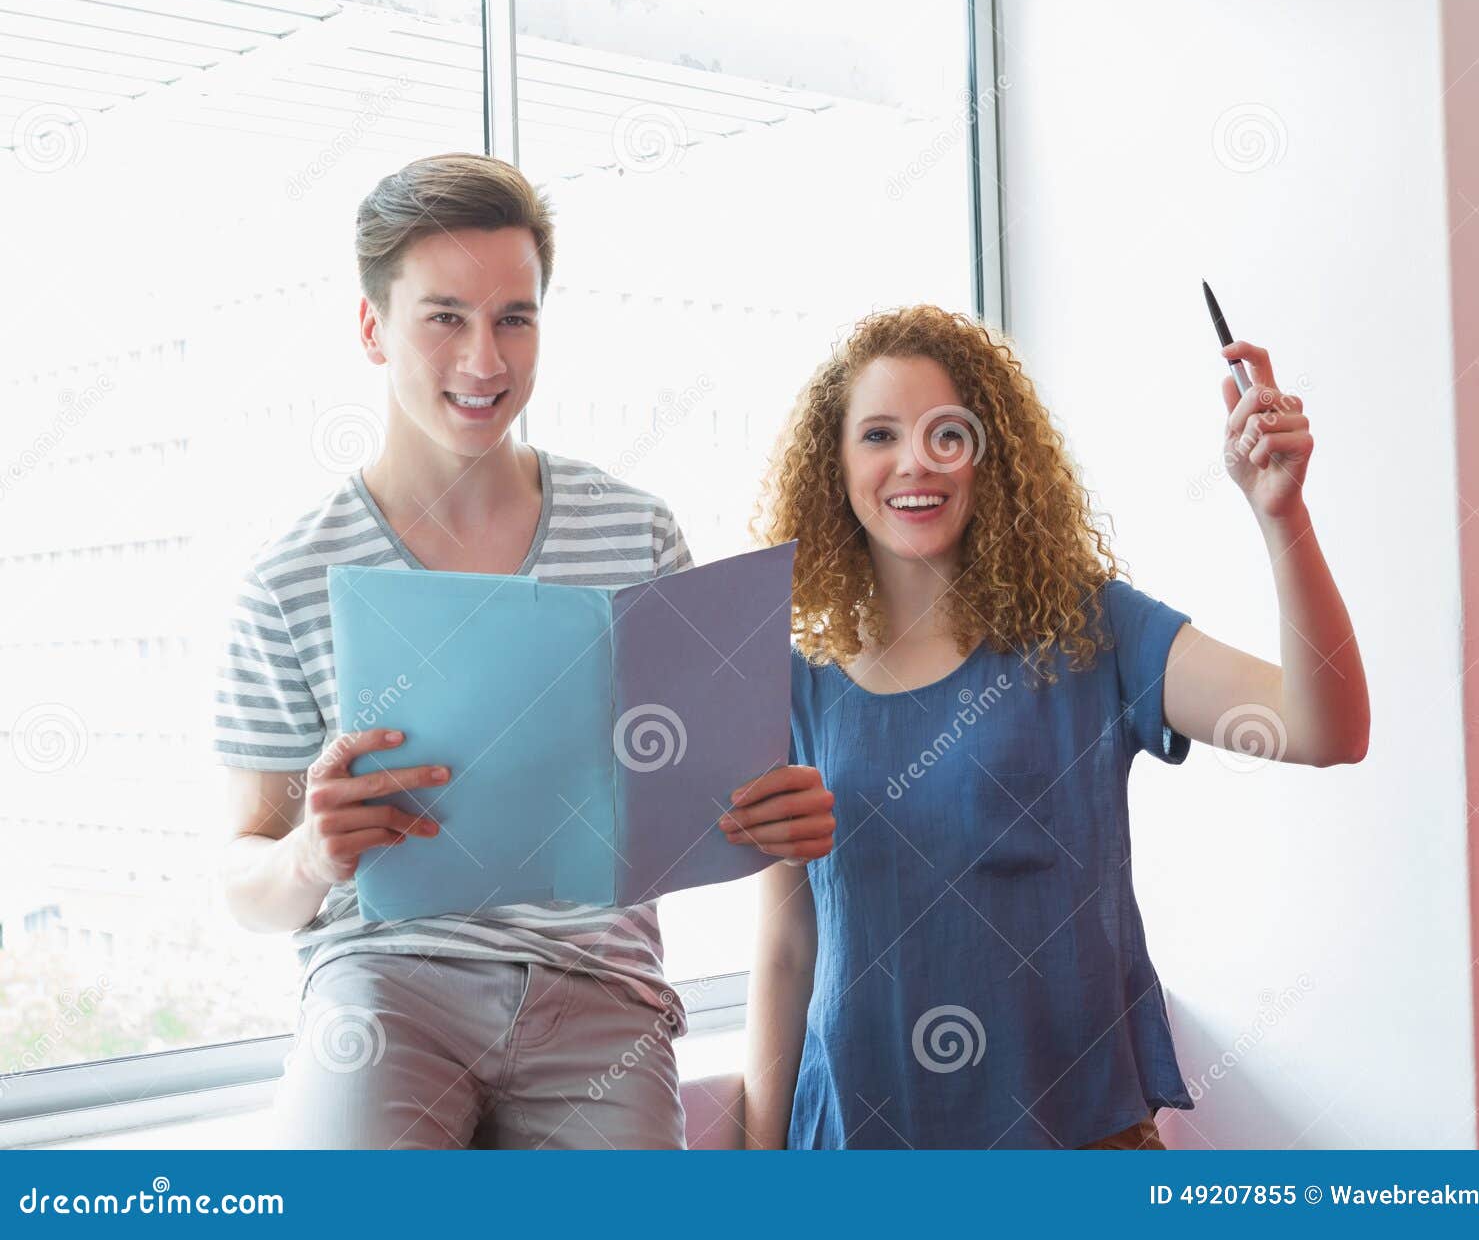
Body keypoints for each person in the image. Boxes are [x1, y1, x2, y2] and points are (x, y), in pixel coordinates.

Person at [213, 152, 835, 1150]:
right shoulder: (289, 578)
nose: (485, 361)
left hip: (602, 993)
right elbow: (246, 879)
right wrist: (310, 855)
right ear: (373, 328)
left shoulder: (636, 534)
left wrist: (769, 814)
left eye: (515, 317)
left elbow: (696, 789)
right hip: (385, 986)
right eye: (445, 317)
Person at [732, 305, 1369, 1149]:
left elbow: (1325, 728)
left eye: (946, 434)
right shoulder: (793, 684)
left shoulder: (1091, 632)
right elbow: (786, 944)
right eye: (879, 435)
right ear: (836, 466)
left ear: (990, 457)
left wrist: (1280, 515)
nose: (914, 461)